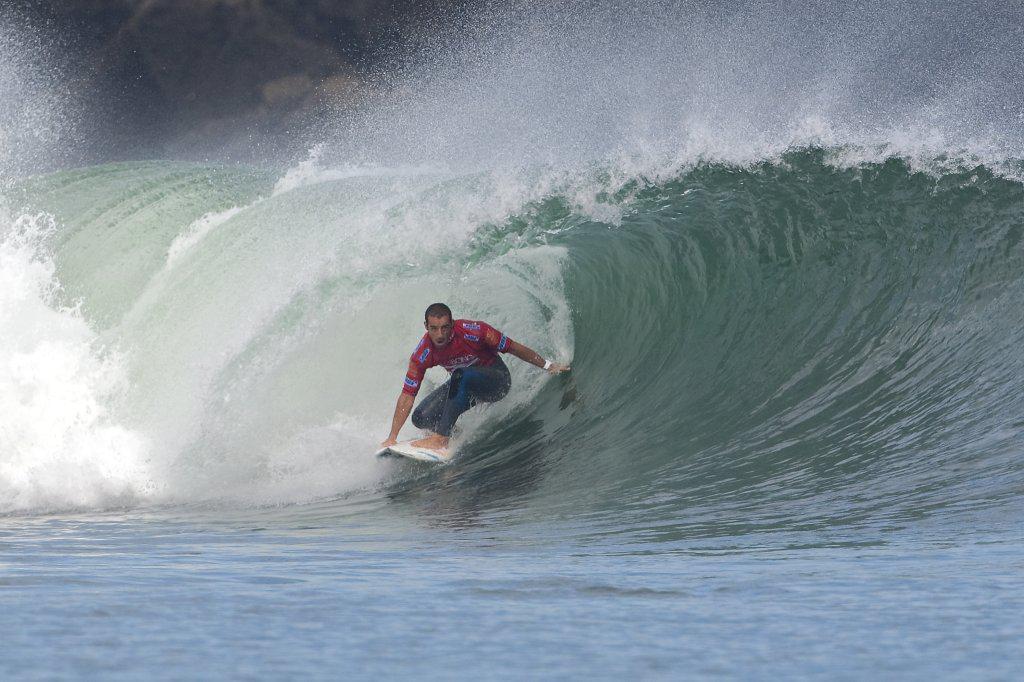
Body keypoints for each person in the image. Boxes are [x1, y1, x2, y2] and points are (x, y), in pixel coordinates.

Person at [380, 303, 570, 453]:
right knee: (421, 418)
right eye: (434, 328)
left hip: (496, 382)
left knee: (460, 374)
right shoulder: (423, 353)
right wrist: (392, 437)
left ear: (452, 324)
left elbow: (513, 347)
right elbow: (407, 394)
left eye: (445, 327)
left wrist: (548, 365)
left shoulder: (475, 331)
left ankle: (441, 439)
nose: (440, 334)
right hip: (465, 389)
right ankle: (453, 434)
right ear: (426, 327)